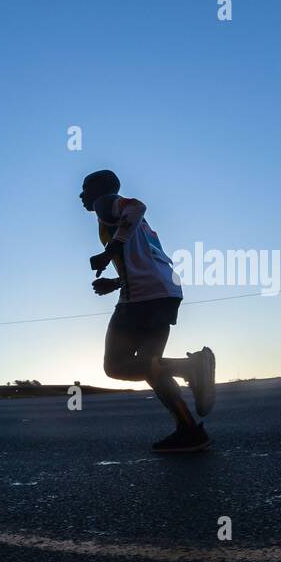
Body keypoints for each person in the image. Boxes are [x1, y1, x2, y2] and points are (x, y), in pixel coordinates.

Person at [79, 169, 215, 452]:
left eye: (84, 189)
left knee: (115, 365)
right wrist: (116, 282)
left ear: (99, 189)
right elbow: (142, 258)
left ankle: (192, 367)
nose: (81, 196)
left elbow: (137, 205)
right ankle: (189, 430)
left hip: (141, 296)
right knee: (152, 365)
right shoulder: (132, 223)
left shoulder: (107, 203)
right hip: (163, 290)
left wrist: (109, 250)